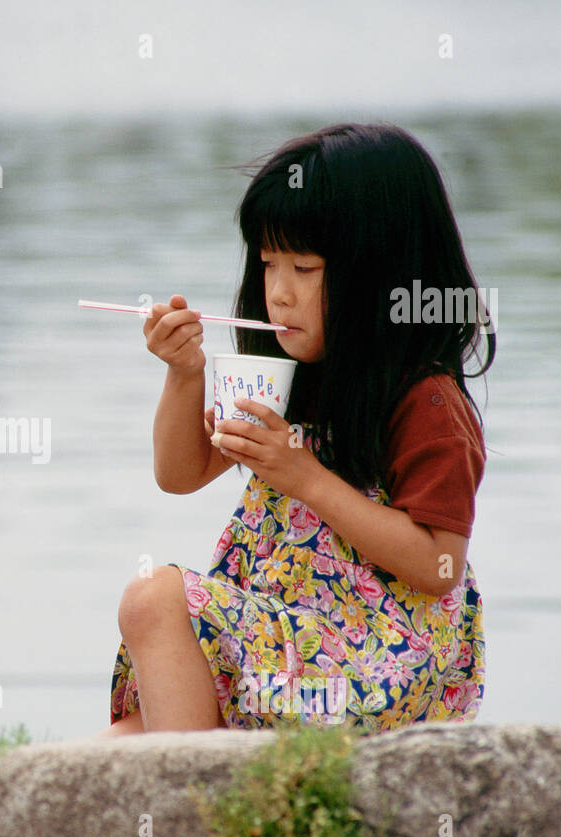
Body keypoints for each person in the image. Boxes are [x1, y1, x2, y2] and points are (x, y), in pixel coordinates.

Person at [105, 123, 494, 735]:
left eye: (305, 268)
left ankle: (191, 816)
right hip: (282, 646)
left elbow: (438, 564)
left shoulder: (427, 402)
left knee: (154, 599)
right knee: (121, 748)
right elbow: (179, 475)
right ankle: (192, 800)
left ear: (383, 271)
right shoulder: (289, 375)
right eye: (267, 263)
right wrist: (186, 373)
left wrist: (306, 478)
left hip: (376, 666)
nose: (279, 294)